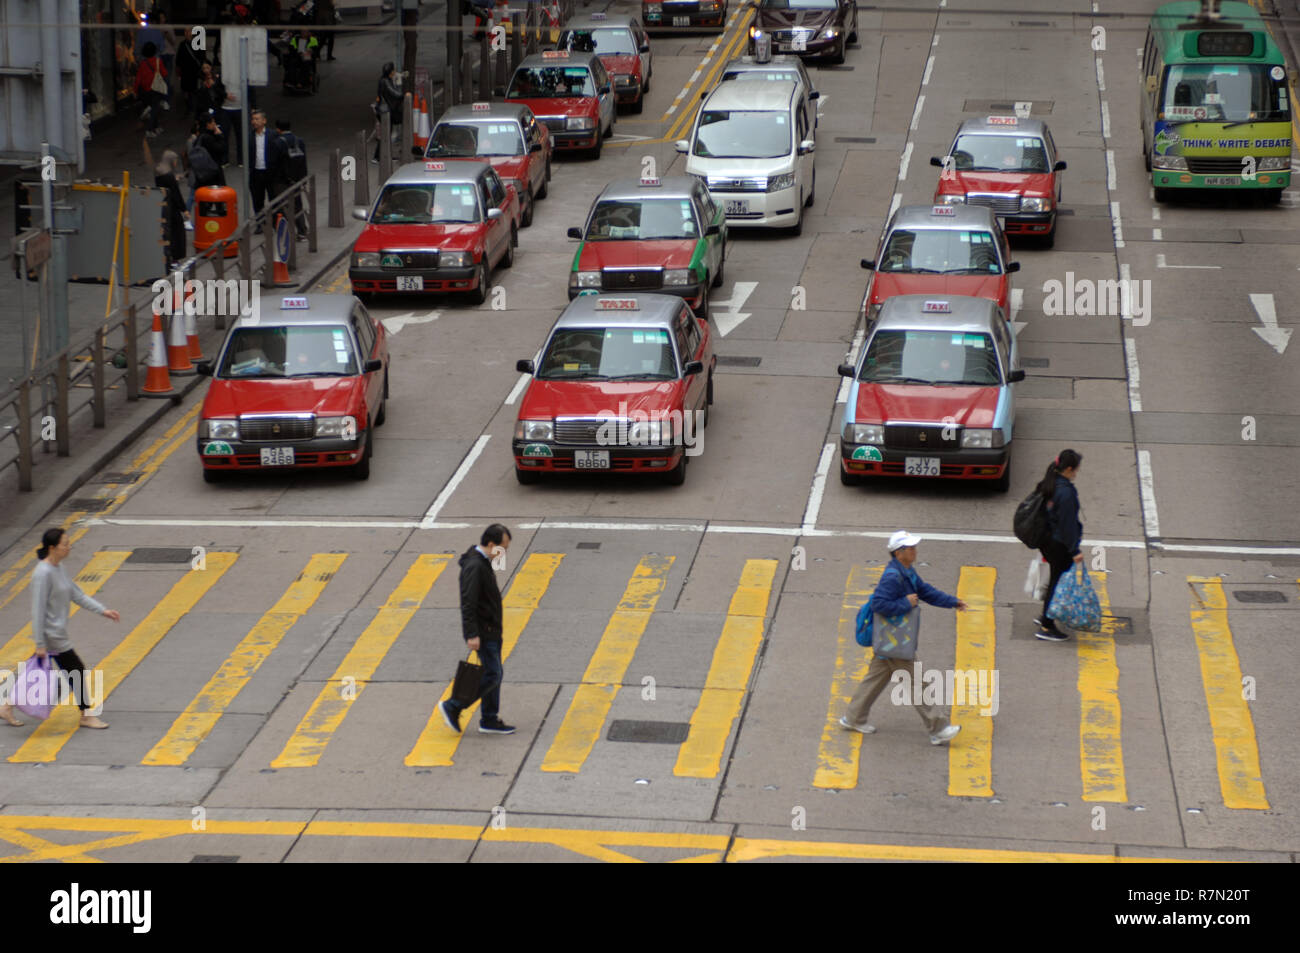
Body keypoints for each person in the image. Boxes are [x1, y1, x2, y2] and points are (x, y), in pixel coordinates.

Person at [839, 531, 967, 745]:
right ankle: (938, 728)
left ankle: (853, 718)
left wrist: (953, 602)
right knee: (918, 682)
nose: (915, 550)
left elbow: (926, 591)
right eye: (910, 548)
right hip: (894, 640)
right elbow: (879, 604)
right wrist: (906, 604)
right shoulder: (893, 577)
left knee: (876, 678)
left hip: (891, 639)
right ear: (899, 553)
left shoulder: (906, 571)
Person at [0, 529, 121, 730]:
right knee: (77, 671)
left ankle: (6, 706)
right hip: (51, 636)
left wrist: (103, 611)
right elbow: (37, 612)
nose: (69, 547)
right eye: (65, 544)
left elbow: (77, 595)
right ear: (52, 548)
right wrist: (40, 643)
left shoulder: (58, 568)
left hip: (54, 634)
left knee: (35, 674)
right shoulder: (42, 573)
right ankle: (87, 715)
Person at [439, 524, 516, 736]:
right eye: (502, 548)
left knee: (495, 673)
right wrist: (472, 634)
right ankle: (454, 705)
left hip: (491, 629)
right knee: (493, 674)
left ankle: (489, 719)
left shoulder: (482, 561)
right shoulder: (475, 566)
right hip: (484, 631)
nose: (504, 553)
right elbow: (468, 602)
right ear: (491, 544)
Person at [1035, 450, 1084, 641]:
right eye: (1076, 470)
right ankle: (1047, 626)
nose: (1076, 474)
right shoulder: (1065, 493)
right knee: (1057, 583)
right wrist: (1075, 551)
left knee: (1055, 579)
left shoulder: (1049, 483)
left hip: (1047, 540)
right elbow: (1067, 525)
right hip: (1059, 545)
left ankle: (1045, 617)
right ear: (1069, 469)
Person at [247, 109, 287, 218]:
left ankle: (275, 221)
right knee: (257, 200)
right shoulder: (249, 136)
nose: (254, 121)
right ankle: (260, 223)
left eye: (257, 119)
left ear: (264, 121)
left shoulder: (273, 135)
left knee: (274, 198)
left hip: (270, 173)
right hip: (256, 173)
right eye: (253, 119)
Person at [275, 118, 309, 238]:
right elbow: (303, 161)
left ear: (278, 129)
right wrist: (303, 178)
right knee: (297, 204)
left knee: (283, 206)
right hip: (296, 179)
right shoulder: (299, 140)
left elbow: (275, 162)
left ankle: (286, 232)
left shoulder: (277, 143)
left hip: (282, 180)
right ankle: (302, 230)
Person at [154, 149, 188, 265]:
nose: (175, 163)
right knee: (177, 233)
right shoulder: (169, 176)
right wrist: (184, 209)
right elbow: (176, 193)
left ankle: (168, 257)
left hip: (164, 205)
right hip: (172, 208)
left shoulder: (159, 171)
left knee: (167, 232)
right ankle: (175, 258)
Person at [134, 42, 168, 137]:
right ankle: (150, 129)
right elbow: (165, 74)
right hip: (155, 89)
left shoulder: (143, 63)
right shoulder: (158, 61)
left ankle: (156, 127)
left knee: (154, 108)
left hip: (145, 90)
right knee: (155, 109)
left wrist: (135, 90)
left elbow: (138, 78)